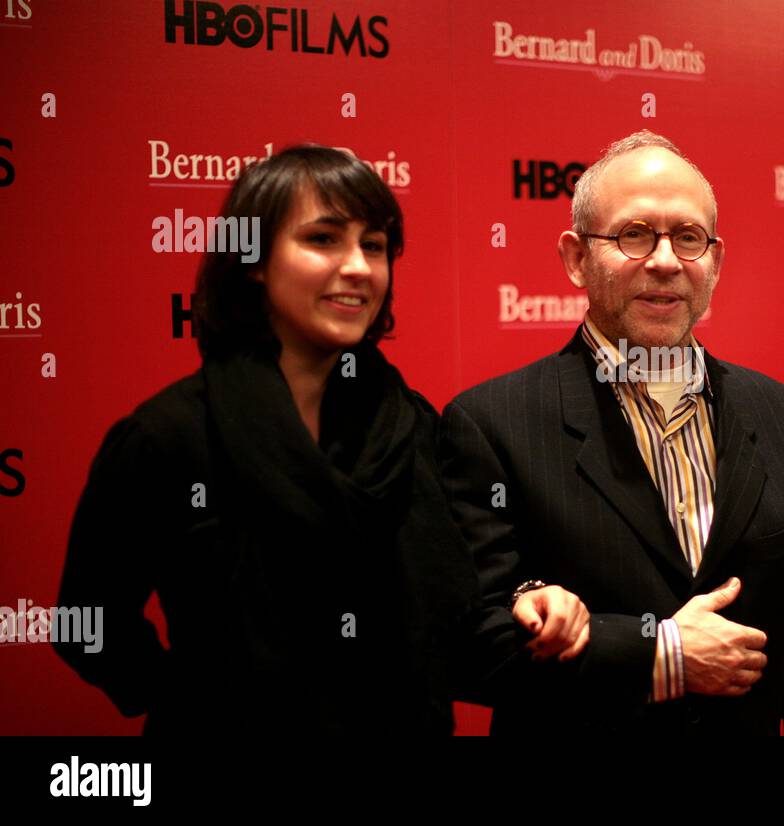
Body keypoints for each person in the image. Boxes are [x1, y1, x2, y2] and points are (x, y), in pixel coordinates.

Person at [54, 145, 588, 736]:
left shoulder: (412, 426)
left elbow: (462, 601)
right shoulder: (169, 436)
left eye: (375, 245)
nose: (359, 266)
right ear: (252, 257)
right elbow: (86, 622)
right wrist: (190, 701)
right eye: (324, 239)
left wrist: (532, 595)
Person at [436, 130, 784, 735]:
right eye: (633, 235)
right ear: (575, 258)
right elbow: (468, 644)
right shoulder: (489, 425)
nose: (665, 261)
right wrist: (662, 655)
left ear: (715, 260)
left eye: (688, 238)